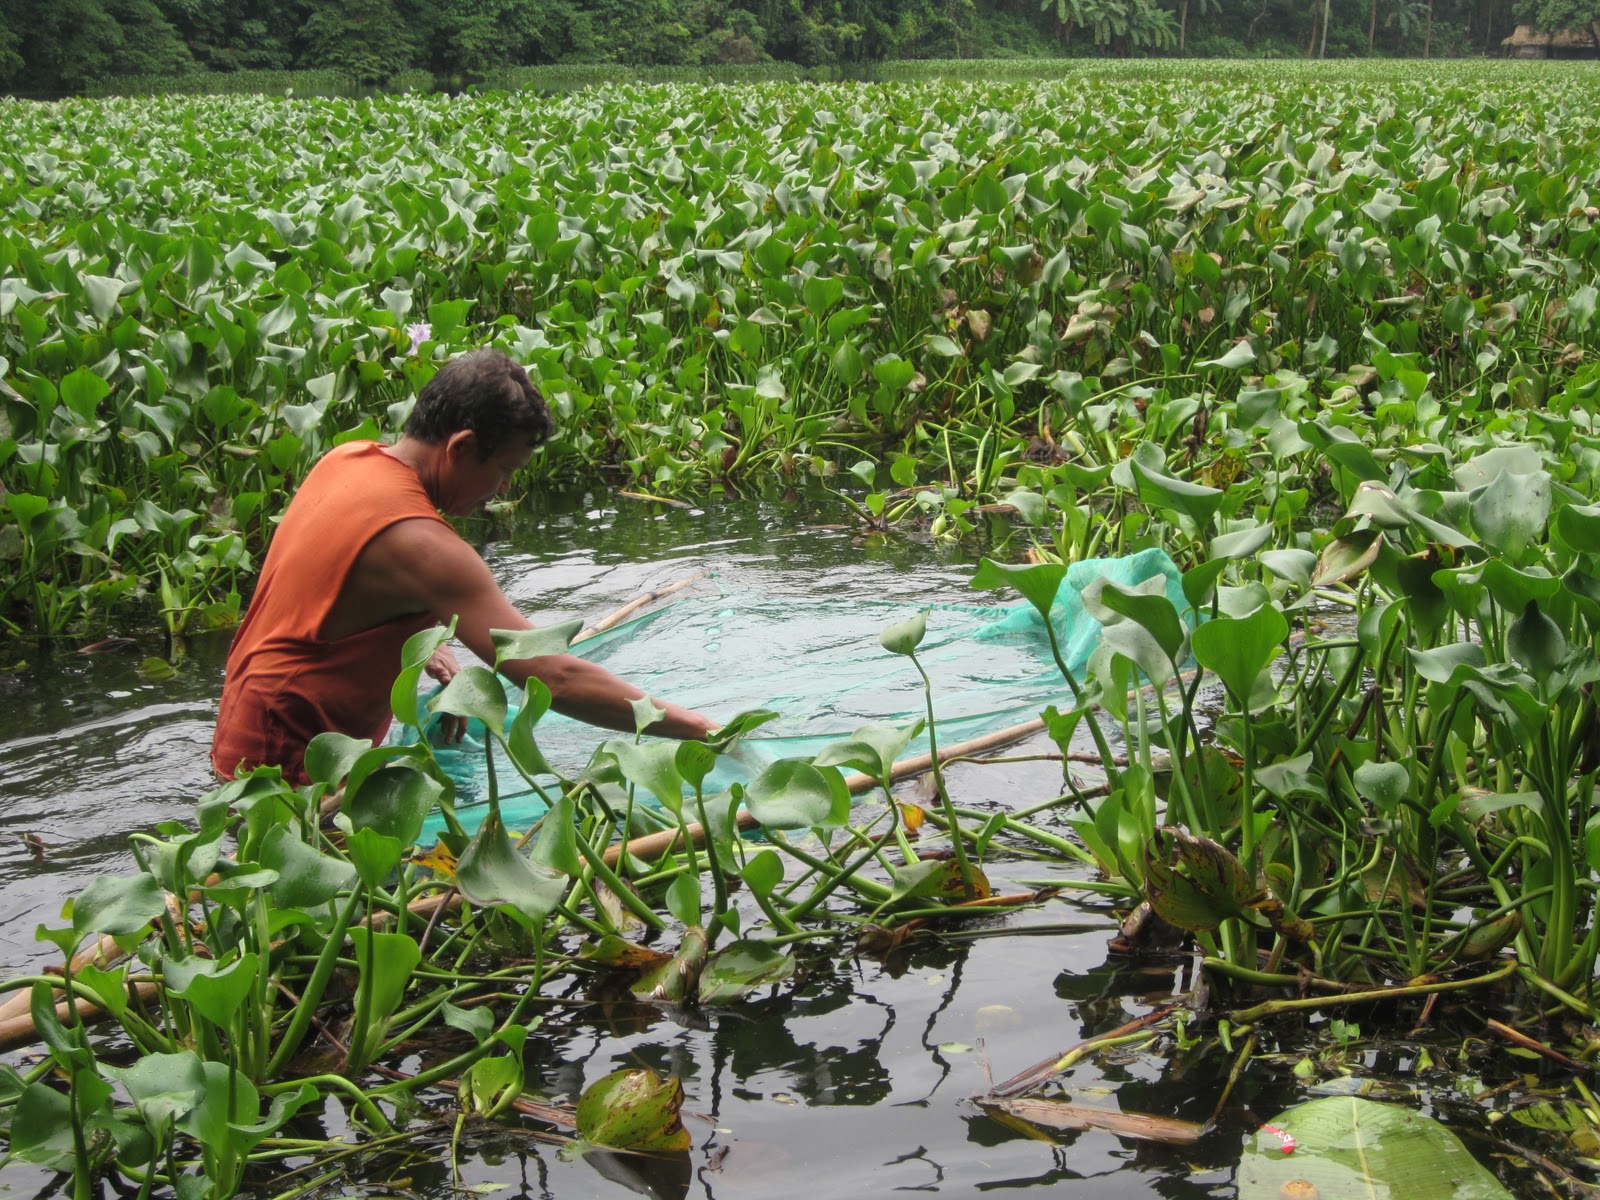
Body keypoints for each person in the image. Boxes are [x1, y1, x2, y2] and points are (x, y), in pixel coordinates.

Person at [212, 348, 717, 785]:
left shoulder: (348, 459)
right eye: (503, 470)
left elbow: (329, 590)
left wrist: (422, 649)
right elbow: (554, 678)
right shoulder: (423, 545)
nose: (501, 490)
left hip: (248, 716)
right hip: (289, 751)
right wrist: (697, 726)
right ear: (462, 447)